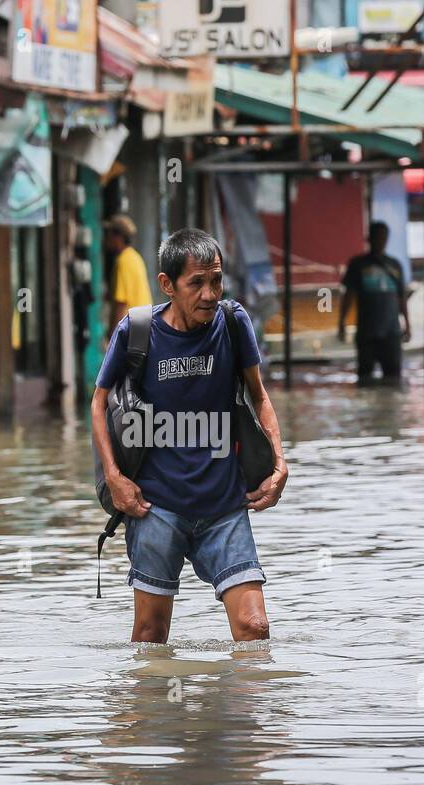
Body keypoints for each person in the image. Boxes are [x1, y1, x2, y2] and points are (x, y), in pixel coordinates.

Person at [92, 228, 288, 644]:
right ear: (168, 284)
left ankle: (241, 709)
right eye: (196, 283)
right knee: (150, 635)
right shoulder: (137, 331)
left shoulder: (233, 324)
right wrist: (114, 477)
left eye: (216, 280)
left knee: (255, 629)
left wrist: (279, 463)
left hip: (224, 506)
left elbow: (259, 396)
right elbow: (98, 404)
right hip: (155, 507)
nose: (209, 294)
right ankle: (153, 710)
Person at [338, 221, 411, 386]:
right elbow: (348, 295)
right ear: (369, 239)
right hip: (367, 332)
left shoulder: (395, 265)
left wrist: (407, 324)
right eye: (378, 237)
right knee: (365, 380)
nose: (381, 241)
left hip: (391, 333)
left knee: (393, 381)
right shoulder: (357, 265)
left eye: (384, 237)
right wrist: (341, 323)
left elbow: (401, 297)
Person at [104, 213, 152, 341]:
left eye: (109, 233)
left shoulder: (123, 261)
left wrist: (113, 334)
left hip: (132, 330)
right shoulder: (135, 257)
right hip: (143, 326)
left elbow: (121, 302)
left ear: (118, 236)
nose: (107, 237)